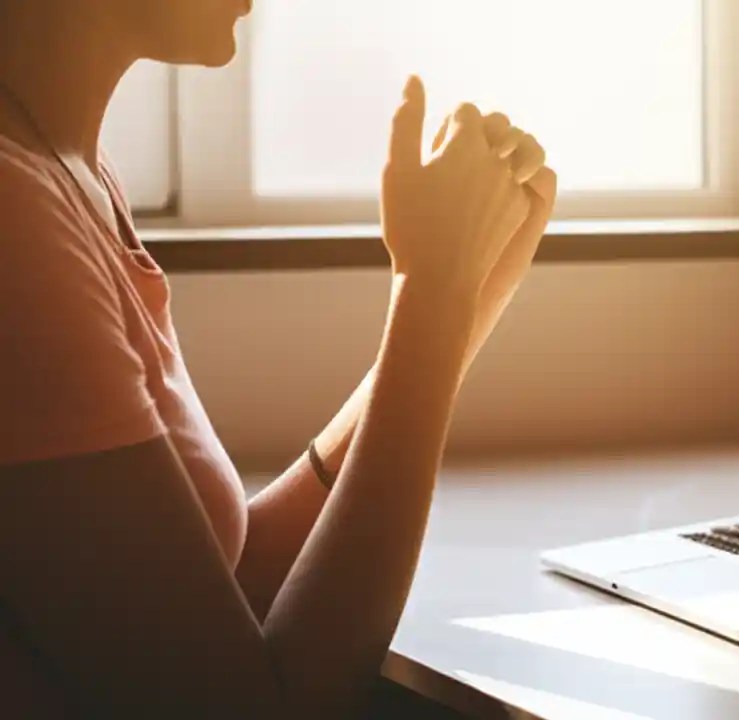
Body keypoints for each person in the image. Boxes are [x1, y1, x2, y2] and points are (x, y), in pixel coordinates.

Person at [0, 1, 556, 717]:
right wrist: (431, 299)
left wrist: (464, 300)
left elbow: (224, 594)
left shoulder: (67, 169)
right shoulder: (15, 222)